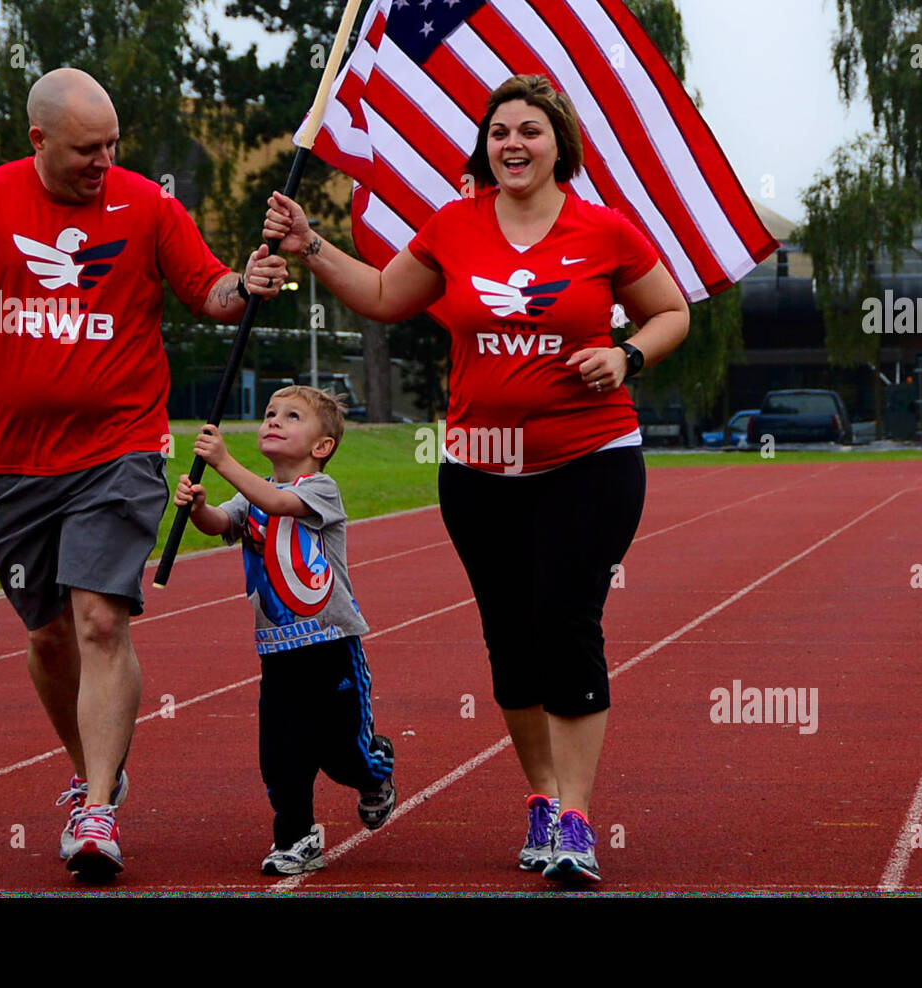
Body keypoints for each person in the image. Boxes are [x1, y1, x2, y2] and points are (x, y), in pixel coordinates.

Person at [0, 67, 289, 882]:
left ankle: (96, 810)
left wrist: (250, 283)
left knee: (99, 620)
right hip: (13, 463)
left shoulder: (148, 204)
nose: (104, 162)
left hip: (121, 449)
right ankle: (96, 762)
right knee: (49, 635)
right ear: (39, 140)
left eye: (113, 146)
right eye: (87, 149)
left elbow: (211, 291)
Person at [263, 74, 690, 884]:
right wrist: (311, 248)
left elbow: (672, 311)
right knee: (510, 642)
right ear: (485, 147)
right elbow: (388, 296)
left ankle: (576, 819)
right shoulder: (454, 225)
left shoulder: (605, 231)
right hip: (479, 472)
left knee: (567, 623)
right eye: (500, 133)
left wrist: (628, 354)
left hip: (590, 463)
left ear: (559, 143)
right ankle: (540, 793)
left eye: (530, 131)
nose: (514, 145)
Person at [173, 387, 396, 875]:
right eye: (270, 414)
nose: (274, 421)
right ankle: (297, 836)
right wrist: (197, 507)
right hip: (277, 655)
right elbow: (218, 524)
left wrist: (223, 460)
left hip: (330, 646)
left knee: (345, 758)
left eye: (291, 417)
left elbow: (275, 500)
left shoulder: (319, 489)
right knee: (280, 756)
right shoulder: (246, 495)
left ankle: (376, 770)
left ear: (321, 448)